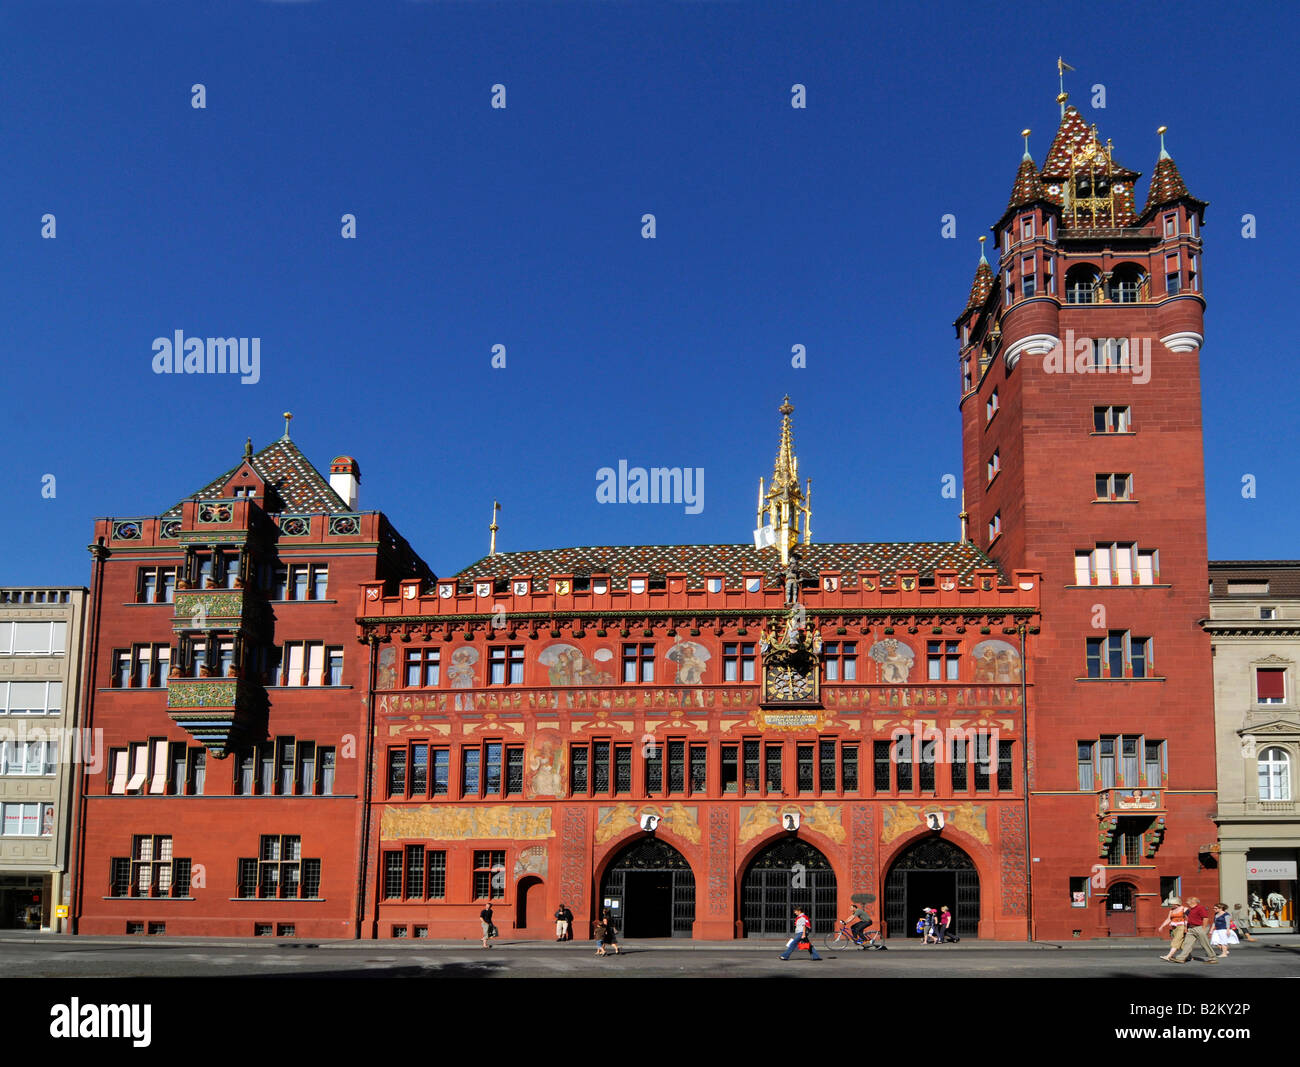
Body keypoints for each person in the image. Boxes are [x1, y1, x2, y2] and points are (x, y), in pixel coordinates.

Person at [1172, 897, 1217, 964]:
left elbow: (1205, 918)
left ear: (1193, 901)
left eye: (1188, 900)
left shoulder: (1200, 908)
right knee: (1187, 943)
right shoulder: (1191, 909)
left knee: (1204, 943)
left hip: (1199, 927)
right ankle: (1181, 958)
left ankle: (1212, 958)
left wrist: (1203, 928)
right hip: (1191, 928)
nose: (1187, 902)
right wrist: (1187, 927)